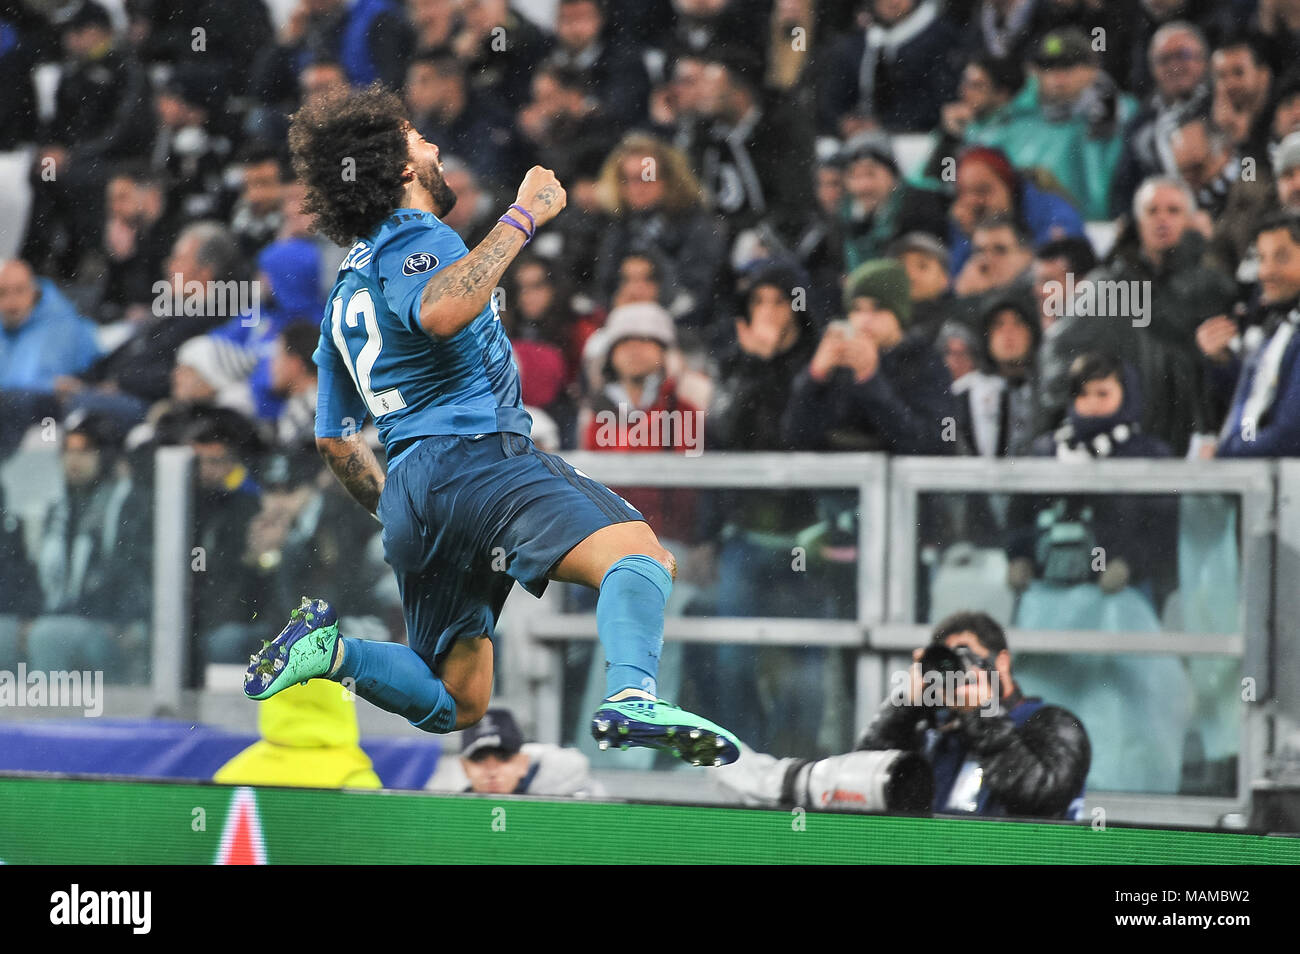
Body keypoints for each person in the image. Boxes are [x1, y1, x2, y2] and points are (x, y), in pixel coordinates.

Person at [246, 85, 740, 768]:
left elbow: (335, 439)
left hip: (415, 492)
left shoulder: (341, 298)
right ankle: (631, 696)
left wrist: (397, 505)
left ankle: (333, 652)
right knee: (642, 556)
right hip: (480, 457)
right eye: (418, 137)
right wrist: (523, 215)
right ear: (396, 167)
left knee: (460, 703)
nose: (435, 146)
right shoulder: (416, 233)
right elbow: (443, 310)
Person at [717, 611, 1091, 819]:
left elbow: (1038, 797)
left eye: (965, 656)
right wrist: (906, 706)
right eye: (945, 660)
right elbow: (863, 779)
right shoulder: (936, 733)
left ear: (1002, 662)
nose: (954, 671)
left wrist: (982, 711)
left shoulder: (1051, 723)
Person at [425, 707, 603, 797]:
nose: (492, 772)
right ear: (464, 768)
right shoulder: (445, 804)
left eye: (504, 758)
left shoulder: (571, 793)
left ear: (523, 763)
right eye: (479, 760)